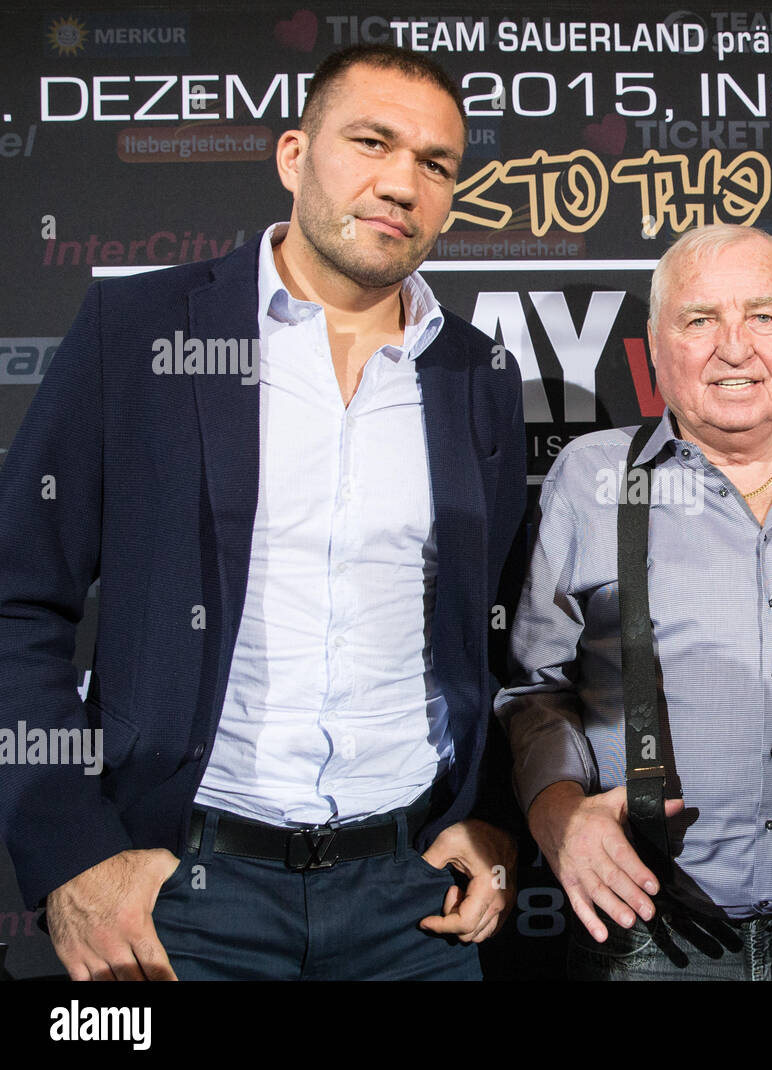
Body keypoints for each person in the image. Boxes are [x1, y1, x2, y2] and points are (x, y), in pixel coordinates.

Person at [0, 44, 527, 980]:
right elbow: (14, 601)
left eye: (435, 164)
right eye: (371, 141)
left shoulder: (475, 375)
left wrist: (486, 815)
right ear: (293, 155)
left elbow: (490, 640)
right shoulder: (142, 331)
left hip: (413, 903)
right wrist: (70, 852)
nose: (401, 183)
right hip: (174, 894)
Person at [495, 223, 772, 981]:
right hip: (648, 941)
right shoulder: (590, 480)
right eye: (700, 320)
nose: (735, 346)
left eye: (763, 316)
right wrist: (554, 808)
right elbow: (535, 688)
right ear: (657, 347)